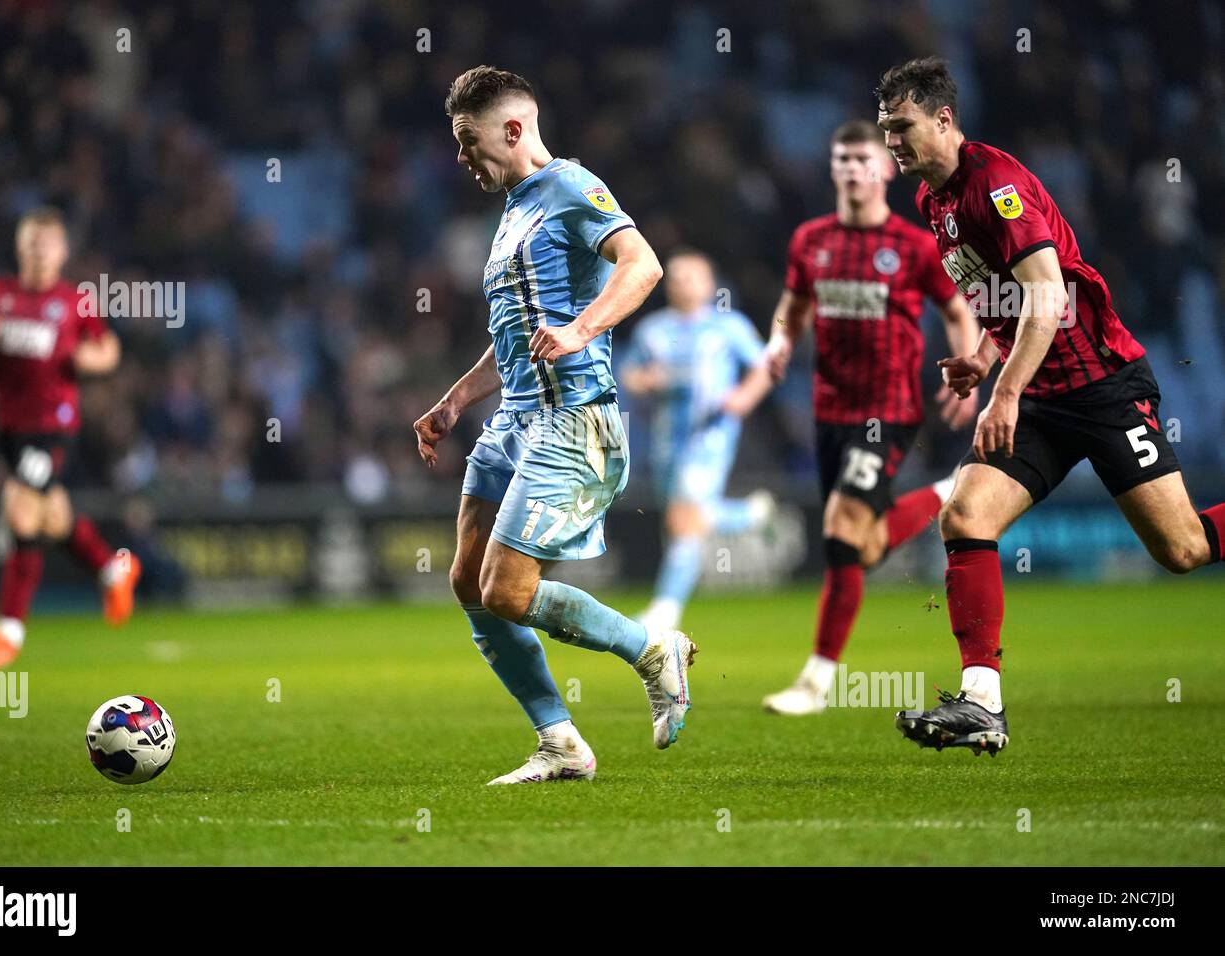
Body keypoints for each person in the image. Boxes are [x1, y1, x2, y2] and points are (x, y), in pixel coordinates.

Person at [875, 57, 1225, 754]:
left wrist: (1002, 391)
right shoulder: (933, 202)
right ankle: (982, 703)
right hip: (1037, 390)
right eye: (885, 129)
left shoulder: (996, 186)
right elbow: (1002, 300)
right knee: (966, 516)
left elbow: (1049, 295)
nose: (892, 143)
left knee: (1182, 549)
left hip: (1100, 385)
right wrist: (982, 353)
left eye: (902, 126)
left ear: (944, 119)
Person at [413, 66, 695, 785]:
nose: (459, 156)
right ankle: (561, 743)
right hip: (513, 422)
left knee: (508, 589)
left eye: (467, 140)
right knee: (470, 584)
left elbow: (644, 265)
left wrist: (584, 327)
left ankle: (651, 650)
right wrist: (455, 400)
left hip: (574, 421)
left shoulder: (570, 187)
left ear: (512, 130)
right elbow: (511, 332)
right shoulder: (511, 212)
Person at [761, 120, 981, 716]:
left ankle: (814, 682)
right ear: (833, 170)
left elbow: (958, 307)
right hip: (829, 411)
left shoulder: (911, 246)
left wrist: (967, 371)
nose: (854, 169)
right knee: (862, 544)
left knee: (838, 529)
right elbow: (794, 304)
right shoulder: (810, 240)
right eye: (843, 160)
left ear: (885, 168)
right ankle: (946, 491)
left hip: (889, 410)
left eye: (864, 159)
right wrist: (780, 343)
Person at [0, 207, 141, 670]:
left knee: (21, 509)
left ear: (62, 251)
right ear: (19, 246)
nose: (38, 249)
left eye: (46, 242)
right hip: (11, 429)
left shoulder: (74, 302)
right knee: (53, 516)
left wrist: (85, 358)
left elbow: (108, 350)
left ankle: (8, 631)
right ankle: (114, 568)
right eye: (31, 241)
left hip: (56, 426)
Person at [620, 249, 776, 633]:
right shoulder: (653, 329)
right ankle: (748, 516)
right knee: (680, 522)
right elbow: (629, 376)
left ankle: (666, 609)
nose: (683, 284)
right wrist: (646, 381)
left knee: (683, 517)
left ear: (709, 285)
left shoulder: (728, 327)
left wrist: (741, 399)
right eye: (676, 278)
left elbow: (766, 367)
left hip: (710, 435)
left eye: (692, 277)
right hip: (666, 439)